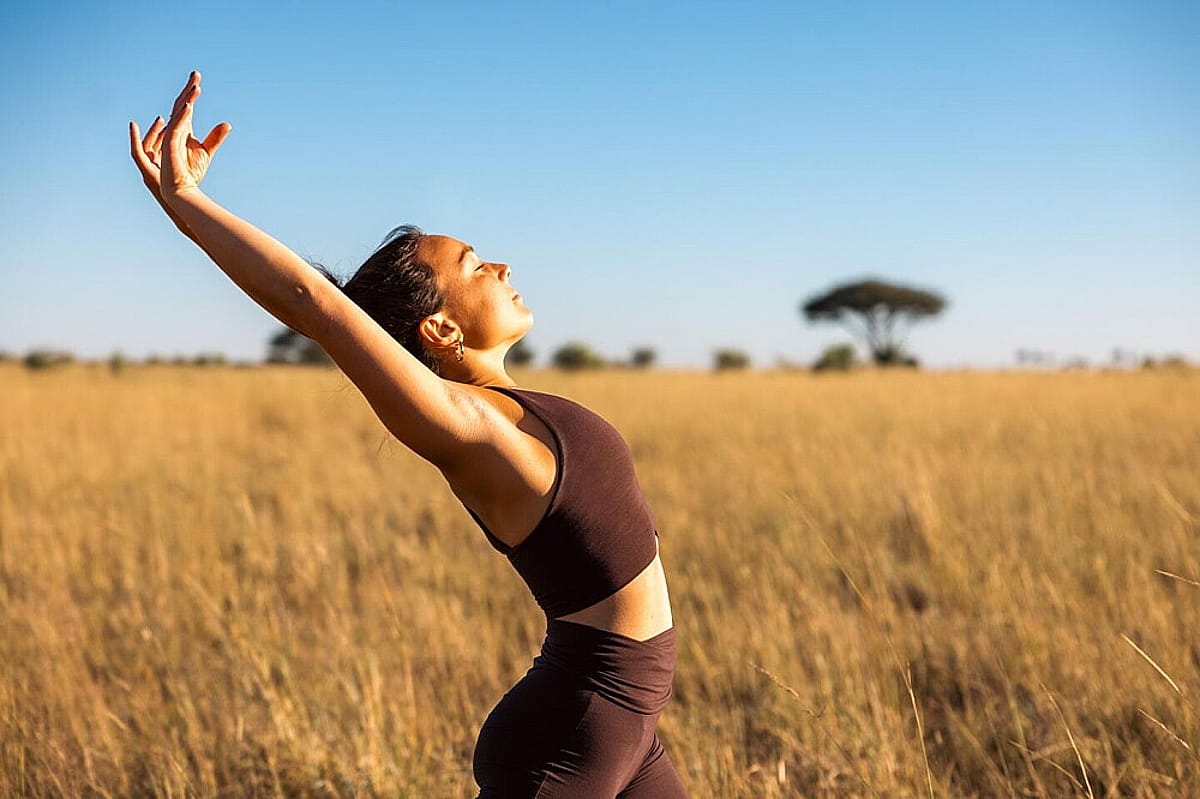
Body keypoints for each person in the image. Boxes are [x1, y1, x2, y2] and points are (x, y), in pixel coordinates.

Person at [129, 71, 688, 798]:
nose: (502, 265)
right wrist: (188, 203)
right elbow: (317, 303)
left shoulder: (521, 407)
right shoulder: (469, 426)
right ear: (441, 329)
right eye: (474, 265)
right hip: (570, 737)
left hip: (625, 724)